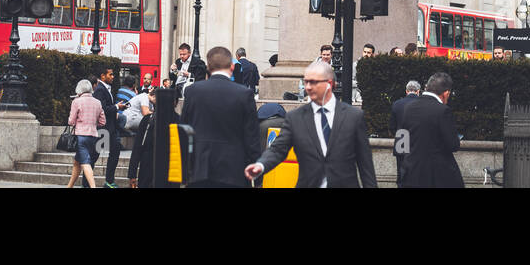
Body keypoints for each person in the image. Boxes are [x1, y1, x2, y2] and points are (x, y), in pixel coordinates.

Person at [244, 60, 377, 188]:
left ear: (329, 84)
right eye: (306, 82)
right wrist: (261, 165)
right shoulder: (295, 118)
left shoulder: (353, 117)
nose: (308, 87)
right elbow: (277, 149)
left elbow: (365, 164)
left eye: (313, 82)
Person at [179, 46, 260, 187]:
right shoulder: (244, 94)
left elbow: (184, 132)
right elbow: (252, 138)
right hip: (234, 172)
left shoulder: (193, 92)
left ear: (208, 67)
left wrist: (184, 172)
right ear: (232, 66)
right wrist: (258, 176)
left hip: (200, 171)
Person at [398, 71, 464, 188]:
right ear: (446, 93)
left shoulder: (408, 108)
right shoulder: (443, 111)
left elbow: (401, 143)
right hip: (437, 176)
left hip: (411, 173)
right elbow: (453, 145)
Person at [66, 79, 105, 188]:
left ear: (79, 89)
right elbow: (103, 122)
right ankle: (69, 186)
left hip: (81, 137)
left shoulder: (76, 101)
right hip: (94, 137)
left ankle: (93, 187)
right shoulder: (98, 102)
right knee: (77, 163)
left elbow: (71, 121)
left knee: (85, 163)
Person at [91, 65, 122, 188]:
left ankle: (109, 181)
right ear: (103, 76)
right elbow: (102, 109)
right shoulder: (99, 89)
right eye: (110, 74)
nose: (113, 77)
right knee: (94, 155)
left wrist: (116, 108)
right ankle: (86, 183)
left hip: (110, 128)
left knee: (115, 150)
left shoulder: (107, 88)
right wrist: (117, 107)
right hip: (103, 128)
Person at [390, 80, 421, 186]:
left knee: (401, 174)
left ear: (406, 91)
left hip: (401, 139)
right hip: (418, 142)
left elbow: (392, 126)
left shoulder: (397, 104)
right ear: (418, 91)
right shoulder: (423, 104)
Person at [126, 88, 158, 188]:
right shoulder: (176, 119)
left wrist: (132, 174)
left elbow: (137, 147)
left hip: (147, 165)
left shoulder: (148, 119)